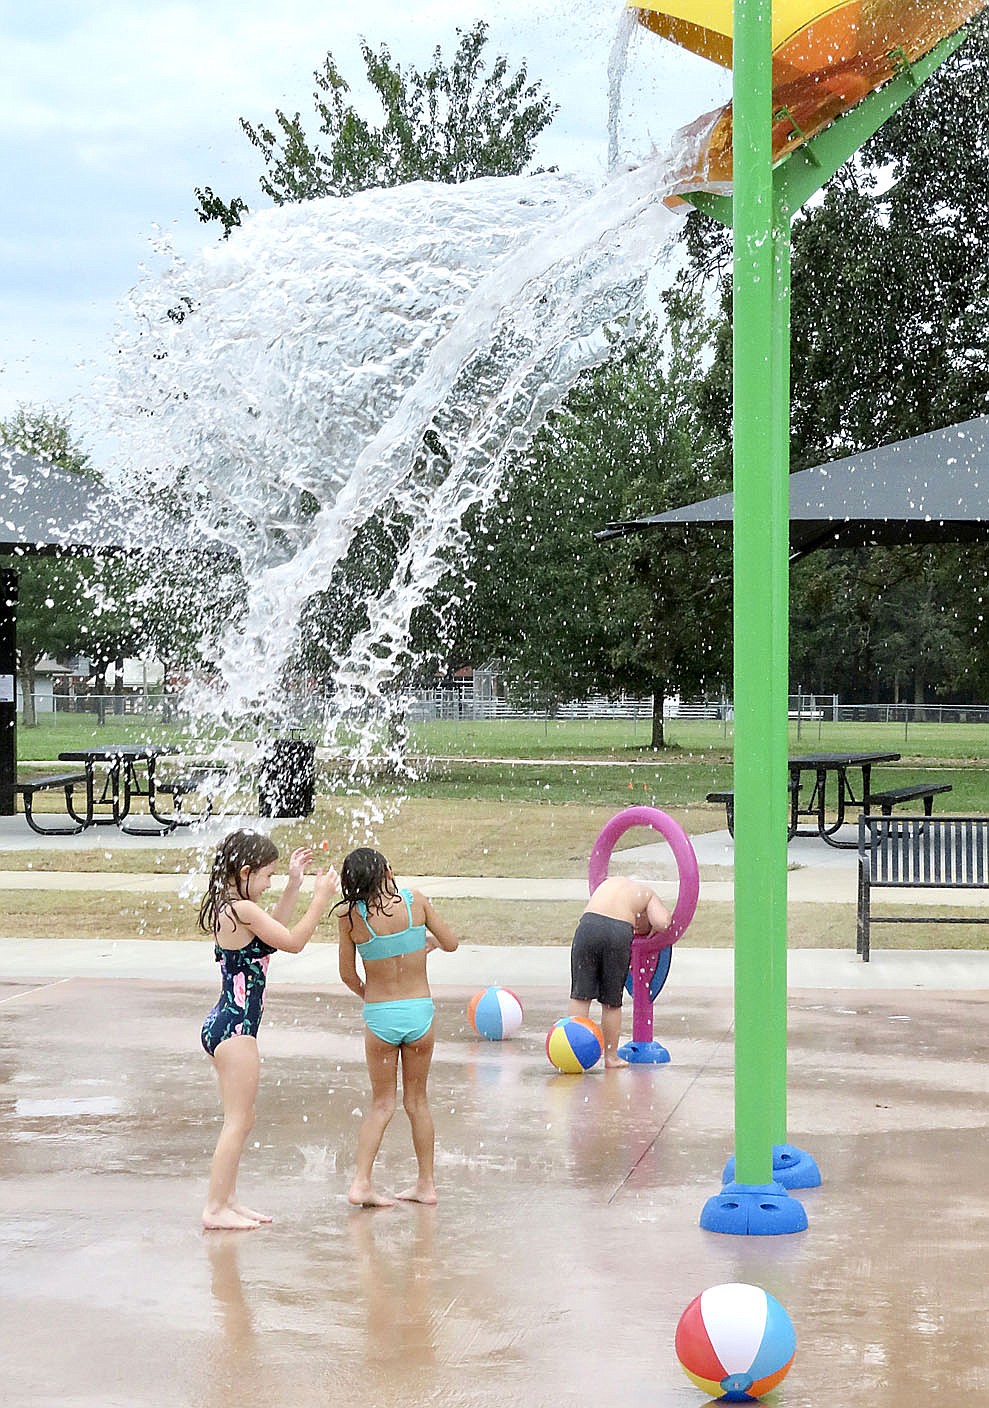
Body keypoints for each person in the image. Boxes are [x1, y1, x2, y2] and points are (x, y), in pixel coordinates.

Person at [199, 829, 338, 1230]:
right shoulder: (242, 909)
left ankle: (227, 1199)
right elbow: (293, 941)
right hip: (236, 1031)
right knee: (238, 1121)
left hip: (225, 1024)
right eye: (268, 876)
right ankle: (214, 1207)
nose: (269, 883)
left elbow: (271, 935)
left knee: (241, 1119)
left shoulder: (234, 907)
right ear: (245, 871)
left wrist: (294, 884)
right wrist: (319, 898)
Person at [337, 848, 459, 1208]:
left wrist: (368, 995)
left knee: (381, 1104)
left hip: (380, 1016)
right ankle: (426, 1185)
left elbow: (347, 974)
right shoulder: (415, 902)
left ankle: (361, 1183)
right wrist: (428, 944)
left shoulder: (350, 916)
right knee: (417, 1102)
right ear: (387, 872)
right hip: (419, 1012)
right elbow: (451, 944)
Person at [569, 875, 671, 1069]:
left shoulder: (610, 881)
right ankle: (611, 1057)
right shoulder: (647, 894)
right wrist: (652, 929)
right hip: (616, 932)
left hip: (587, 926)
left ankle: (573, 1052)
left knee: (580, 995)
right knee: (611, 1001)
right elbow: (662, 923)